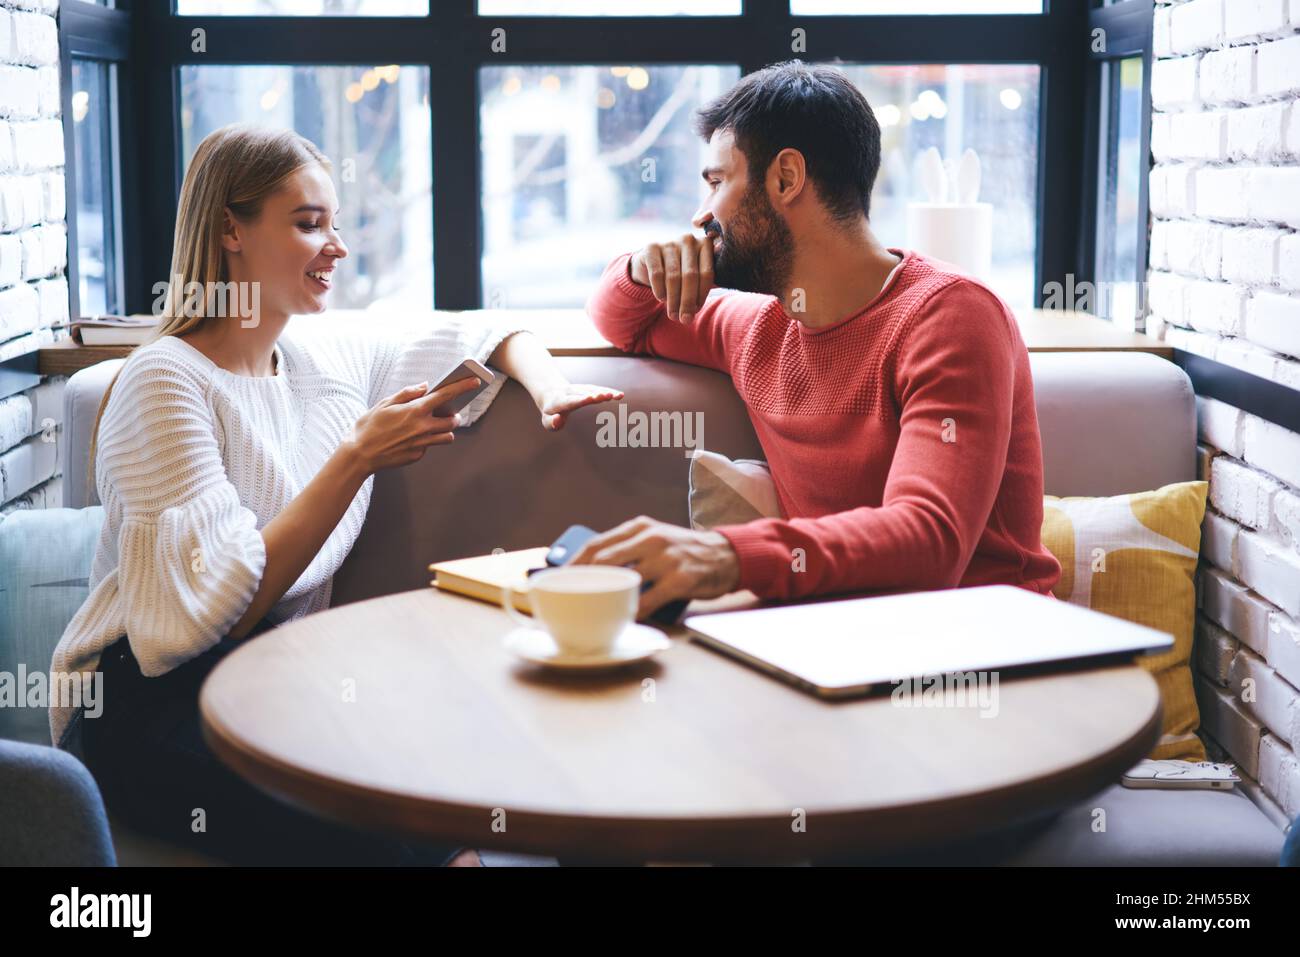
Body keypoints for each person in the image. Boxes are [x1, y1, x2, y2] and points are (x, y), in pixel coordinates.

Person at [48, 124, 623, 866]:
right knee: (411, 830)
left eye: (336, 224)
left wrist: (552, 388)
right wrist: (356, 458)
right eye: (308, 223)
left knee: (476, 751)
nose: (337, 247)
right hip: (150, 703)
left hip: (274, 675)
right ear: (231, 228)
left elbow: (481, 331)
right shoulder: (166, 380)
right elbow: (217, 614)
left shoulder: (324, 360)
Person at [575, 60, 1061, 618]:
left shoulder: (950, 317)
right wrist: (641, 268)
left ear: (785, 178)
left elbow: (931, 543)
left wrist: (725, 556)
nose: (700, 215)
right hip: (839, 639)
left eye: (715, 183)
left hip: (993, 651)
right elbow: (623, 320)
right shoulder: (760, 326)